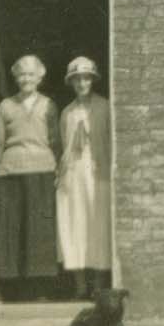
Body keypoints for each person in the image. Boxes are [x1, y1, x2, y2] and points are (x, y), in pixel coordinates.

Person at [0, 54, 60, 291]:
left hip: (42, 170)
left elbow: (56, 140)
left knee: (39, 229)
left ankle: (41, 284)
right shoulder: (6, 106)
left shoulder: (49, 105)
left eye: (31, 74)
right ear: (15, 77)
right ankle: (15, 285)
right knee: (14, 228)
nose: (26, 79)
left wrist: (58, 168)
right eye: (21, 74)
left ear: (39, 77)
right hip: (11, 172)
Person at [57, 56, 113, 297]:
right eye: (77, 79)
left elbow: (110, 141)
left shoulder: (104, 107)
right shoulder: (67, 113)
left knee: (98, 226)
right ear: (71, 82)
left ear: (93, 80)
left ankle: (99, 285)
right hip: (73, 176)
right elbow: (63, 145)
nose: (82, 83)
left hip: (98, 174)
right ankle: (80, 285)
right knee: (74, 227)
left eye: (86, 78)